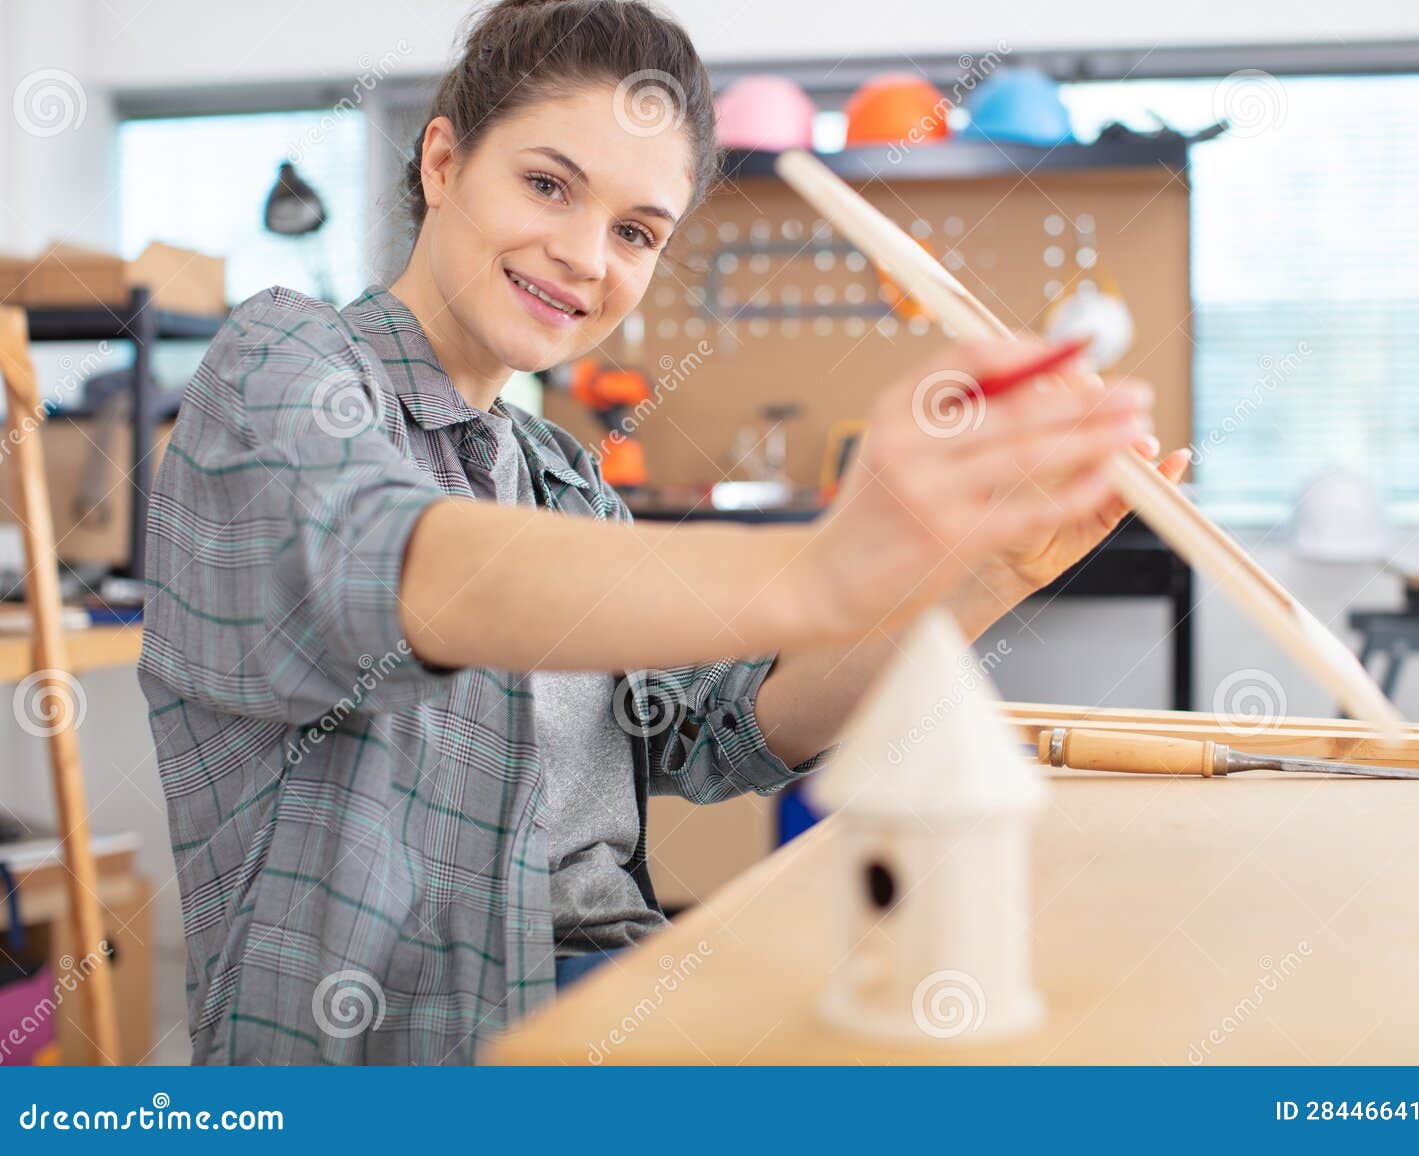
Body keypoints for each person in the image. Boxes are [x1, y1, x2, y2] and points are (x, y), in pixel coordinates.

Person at [138, 0, 1186, 1064]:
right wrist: (825, 562)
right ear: (444, 160)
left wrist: (984, 576)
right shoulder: (278, 365)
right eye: (547, 185)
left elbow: (726, 728)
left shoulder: (558, 475)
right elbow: (418, 572)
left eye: (636, 230)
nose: (588, 256)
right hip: (411, 1056)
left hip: (617, 992)